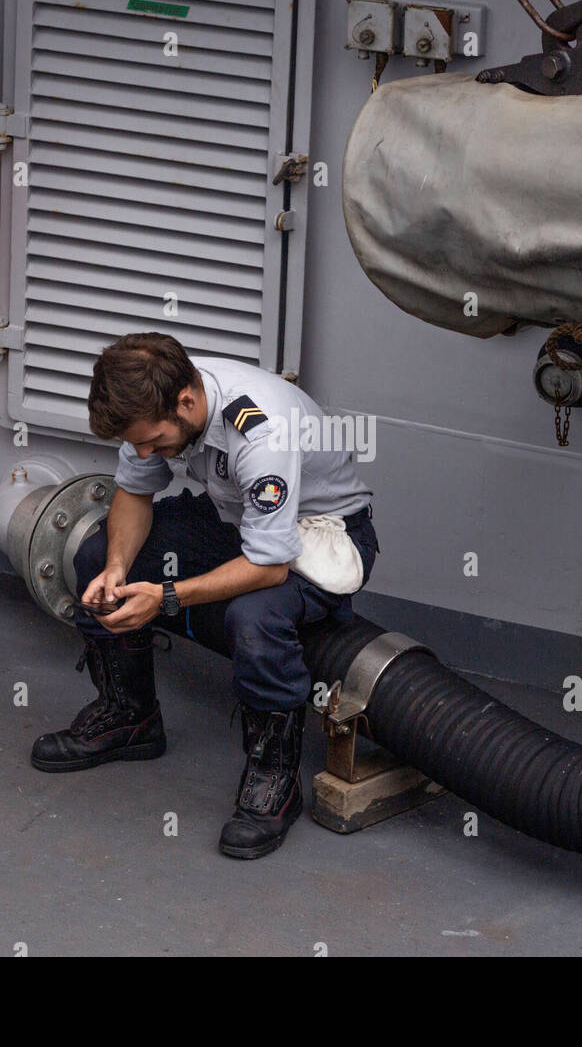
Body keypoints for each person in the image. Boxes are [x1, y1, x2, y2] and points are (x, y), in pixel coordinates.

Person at [31, 333, 379, 860]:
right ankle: (130, 717)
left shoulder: (263, 431)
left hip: (321, 534)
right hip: (235, 520)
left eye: (153, 442)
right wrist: (119, 569)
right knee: (92, 557)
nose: (146, 452)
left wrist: (166, 596)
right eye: (139, 444)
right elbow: (134, 492)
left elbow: (268, 564)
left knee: (254, 618)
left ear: (187, 403)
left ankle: (274, 780)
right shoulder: (153, 397)